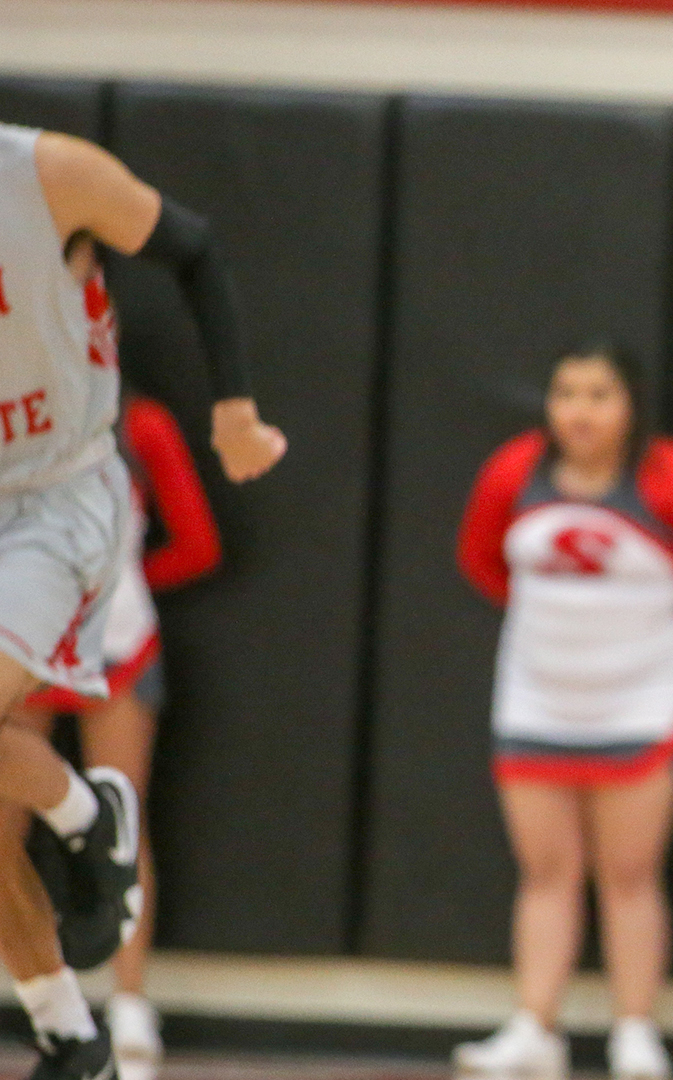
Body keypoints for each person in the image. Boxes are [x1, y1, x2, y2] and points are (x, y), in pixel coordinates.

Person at [0, 123, 283, 1079]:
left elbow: (194, 246)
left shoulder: (48, 174)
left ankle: (90, 817)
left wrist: (233, 408)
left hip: (58, 499)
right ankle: (68, 1034)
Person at [453, 342, 673, 1080]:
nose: (580, 411)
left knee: (631, 874)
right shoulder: (511, 473)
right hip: (536, 701)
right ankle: (536, 1028)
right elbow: (481, 562)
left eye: (598, 394)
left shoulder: (668, 478)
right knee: (544, 873)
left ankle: (634, 1034)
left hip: (641, 709)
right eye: (566, 393)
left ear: (631, 405)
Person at [11, 266, 221, 1080]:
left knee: (122, 820)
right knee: (7, 828)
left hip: (117, 641)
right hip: (22, 643)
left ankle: (130, 1006)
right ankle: (54, 1010)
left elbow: (197, 543)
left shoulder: (144, 427)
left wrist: (104, 583)